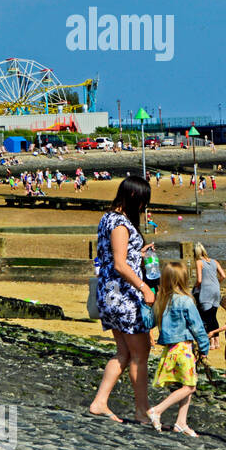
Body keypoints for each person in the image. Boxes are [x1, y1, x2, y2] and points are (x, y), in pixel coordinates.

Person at [89, 175, 155, 425]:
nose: (143, 208)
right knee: (140, 353)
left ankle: (100, 402)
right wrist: (144, 287)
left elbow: (115, 255)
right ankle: (142, 412)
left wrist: (138, 254)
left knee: (125, 353)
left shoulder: (108, 218)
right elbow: (119, 263)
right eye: (143, 202)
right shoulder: (119, 222)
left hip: (110, 294)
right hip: (123, 295)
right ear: (135, 197)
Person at [147, 260, 210, 437]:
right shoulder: (186, 301)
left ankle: (181, 422)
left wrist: (146, 304)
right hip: (183, 348)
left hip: (170, 350)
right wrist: (204, 347)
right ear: (183, 279)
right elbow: (197, 327)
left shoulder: (161, 301)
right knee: (189, 386)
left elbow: (148, 323)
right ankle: (157, 410)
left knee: (186, 383)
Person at [194, 244, 226, 366]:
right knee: (213, 315)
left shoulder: (199, 262)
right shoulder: (214, 261)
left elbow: (199, 280)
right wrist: (216, 283)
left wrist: (195, 287)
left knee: (207, 317)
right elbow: (223, 275)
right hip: (216, 290)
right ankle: (217, 341)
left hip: (206, 291)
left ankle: (212, 341)